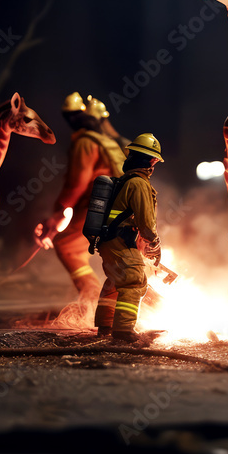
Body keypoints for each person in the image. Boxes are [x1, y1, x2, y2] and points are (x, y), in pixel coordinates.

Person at [34, 92, 127, 327]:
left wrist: (58, 212)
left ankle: (93, 303)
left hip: (102, 205)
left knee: (68, 246)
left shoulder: (85, 142)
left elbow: (77, 184)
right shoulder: (107, 141)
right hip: (123, 206)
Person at [93, 133, 164, 343]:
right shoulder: (139, 184)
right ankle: (123, 331)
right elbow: (146, 222)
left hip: (109, 240)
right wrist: (154, 242)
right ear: (151, 161)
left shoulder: (124, 181)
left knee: (116, 280)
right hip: (120, 241)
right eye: (154, 162)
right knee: (135, 281)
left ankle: (105, 326)